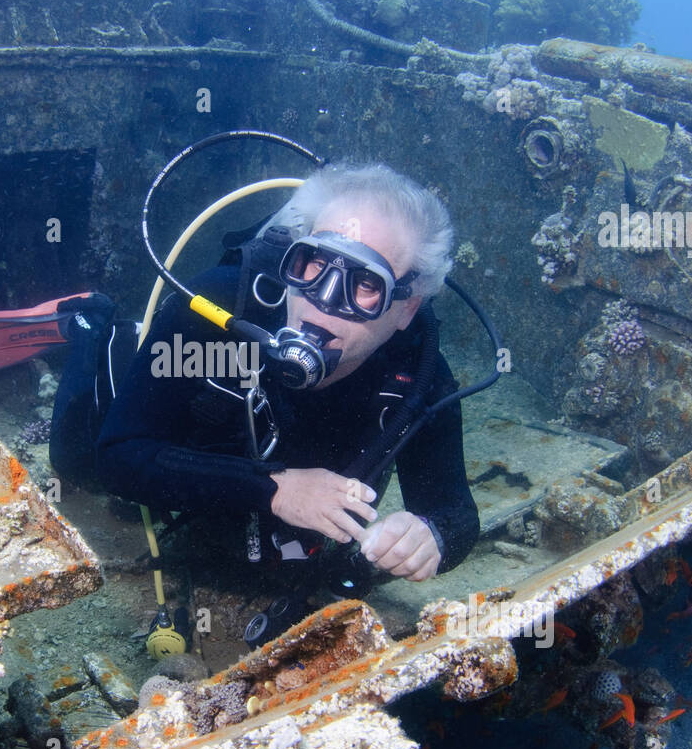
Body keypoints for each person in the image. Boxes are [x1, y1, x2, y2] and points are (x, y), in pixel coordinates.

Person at [94, 163, 478, 582]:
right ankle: (92, 321)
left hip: (259, 523)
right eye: (313, 263)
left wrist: (429, 537)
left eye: (366, 284)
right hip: (183, 436)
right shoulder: (219, 311)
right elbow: (117, 457)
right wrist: (274, 489)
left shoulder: (415, 373)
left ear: (406, 308)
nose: (325, 300)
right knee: (71, 452)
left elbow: (454, 513)